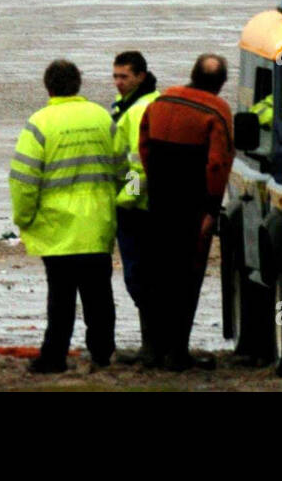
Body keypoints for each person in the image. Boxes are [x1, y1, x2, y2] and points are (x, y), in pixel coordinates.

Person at [9, 59, 123, 374]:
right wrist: (129, 202)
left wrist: (23, 218)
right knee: (99, 294)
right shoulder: (102, 118)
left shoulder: (39, 123)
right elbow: (126, 168)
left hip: (56, 227)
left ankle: (54, 356)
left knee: (60, 296)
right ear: (78, 84)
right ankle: (102, 353)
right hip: (98, 223)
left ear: (48, 87)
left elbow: (23, 180)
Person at [138, 53, 234, 370]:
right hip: (193, 207)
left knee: (156, 275)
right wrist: (211, 208)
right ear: (221, 84)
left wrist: (156, 182)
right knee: (186, 278)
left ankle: (152, 349)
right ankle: (177, 352)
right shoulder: (217, 111)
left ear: (191, 73)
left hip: (158, 202)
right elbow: (217, 163)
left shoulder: (161, 102)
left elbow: (144, 147)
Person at [108, 51, 159, 364]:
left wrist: (126, 200)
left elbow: (141, 168)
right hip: (139, 206)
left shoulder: (140, 109)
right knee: (141, 278)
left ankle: (152, 348)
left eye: (124, 77)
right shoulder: (129, 105)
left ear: (141, 76)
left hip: (138, 209)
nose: (118, 83)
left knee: (140, 278)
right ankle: (154, 346)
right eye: (115, 76)